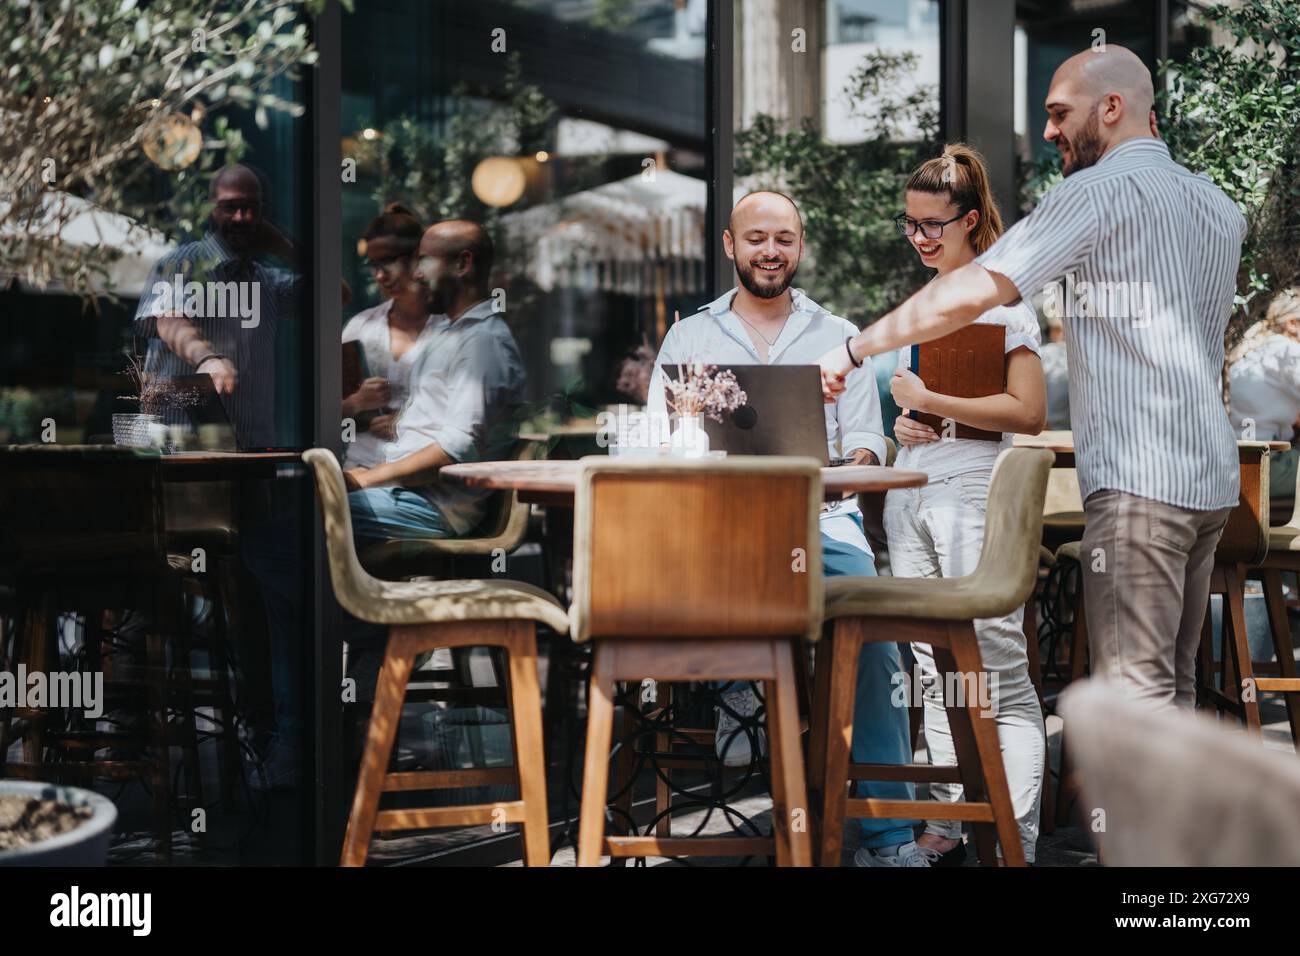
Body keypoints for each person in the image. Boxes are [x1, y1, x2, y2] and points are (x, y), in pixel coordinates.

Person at [820, 45, 1246, 712]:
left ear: (1111, 108)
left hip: (1141, 481)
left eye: (1057, 114)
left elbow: (968, 295)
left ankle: (1133, 821)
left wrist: (852, 349)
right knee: (1176, 691)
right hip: (1210, 482)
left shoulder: (1095, 193)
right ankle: (1176, 820)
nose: (1047, 132)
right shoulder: (1218, 207)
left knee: (1133, 704)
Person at [647, 191, 928, 867]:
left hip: (823, 521)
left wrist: (849, 460)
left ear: (799, 246)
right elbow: (662, 445)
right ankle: (739, 673)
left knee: (875, 644)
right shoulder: (690, 337)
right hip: (723, 530)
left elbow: (866, 441)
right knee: (721, 588)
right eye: (755, 239)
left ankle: (889, 840)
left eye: (782, 239)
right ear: (729, 245)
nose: (769, 252)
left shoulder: (840, 334)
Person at [884, 144, 1047, 864]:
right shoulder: (920, 303)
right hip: (913, 485)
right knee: (931, 669)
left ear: (970, 219)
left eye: (932, 226)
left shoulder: (1003, 296)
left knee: (997, 664)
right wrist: (905, 424)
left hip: (974, 490)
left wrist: (931, 400)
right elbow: (917, 405)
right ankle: (947, 828)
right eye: (910, 225)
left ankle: (1016, 841)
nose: (919, 238)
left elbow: (1029, 410)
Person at [345, 219, 525, 542]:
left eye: (424, 261)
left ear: (462, 264)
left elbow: (455, 449)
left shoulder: (483, 342)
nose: (416, 274)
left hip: (433, 506)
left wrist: (367, 479)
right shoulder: (450, 334)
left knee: (293, 526)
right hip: (407, 495)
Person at [135, 163, 299, 450]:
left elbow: (338, 296)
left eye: (251, 208)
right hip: (181, 449)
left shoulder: (267, 280)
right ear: (210, 209)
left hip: (253, 452)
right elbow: (169, 322)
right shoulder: (181, 263)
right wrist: (207, 358)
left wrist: (285, 247)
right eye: (230, 207)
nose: (241, 217)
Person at [341, 203, 436, 469]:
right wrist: (356, 403)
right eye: (373, 265)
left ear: (419, 256)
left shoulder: (450, 327)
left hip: (423, 472)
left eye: (389, 261)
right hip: (360, 465)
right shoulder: (361, 326)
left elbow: (468, 418)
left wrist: (408, 423)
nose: (380, 275)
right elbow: (326, 412)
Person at [1227, 287, 1300, 515]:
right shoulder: (1288, 351)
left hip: (1235, 462)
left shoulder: (1254, 348)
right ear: (1292, 324)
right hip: (1266, 465)